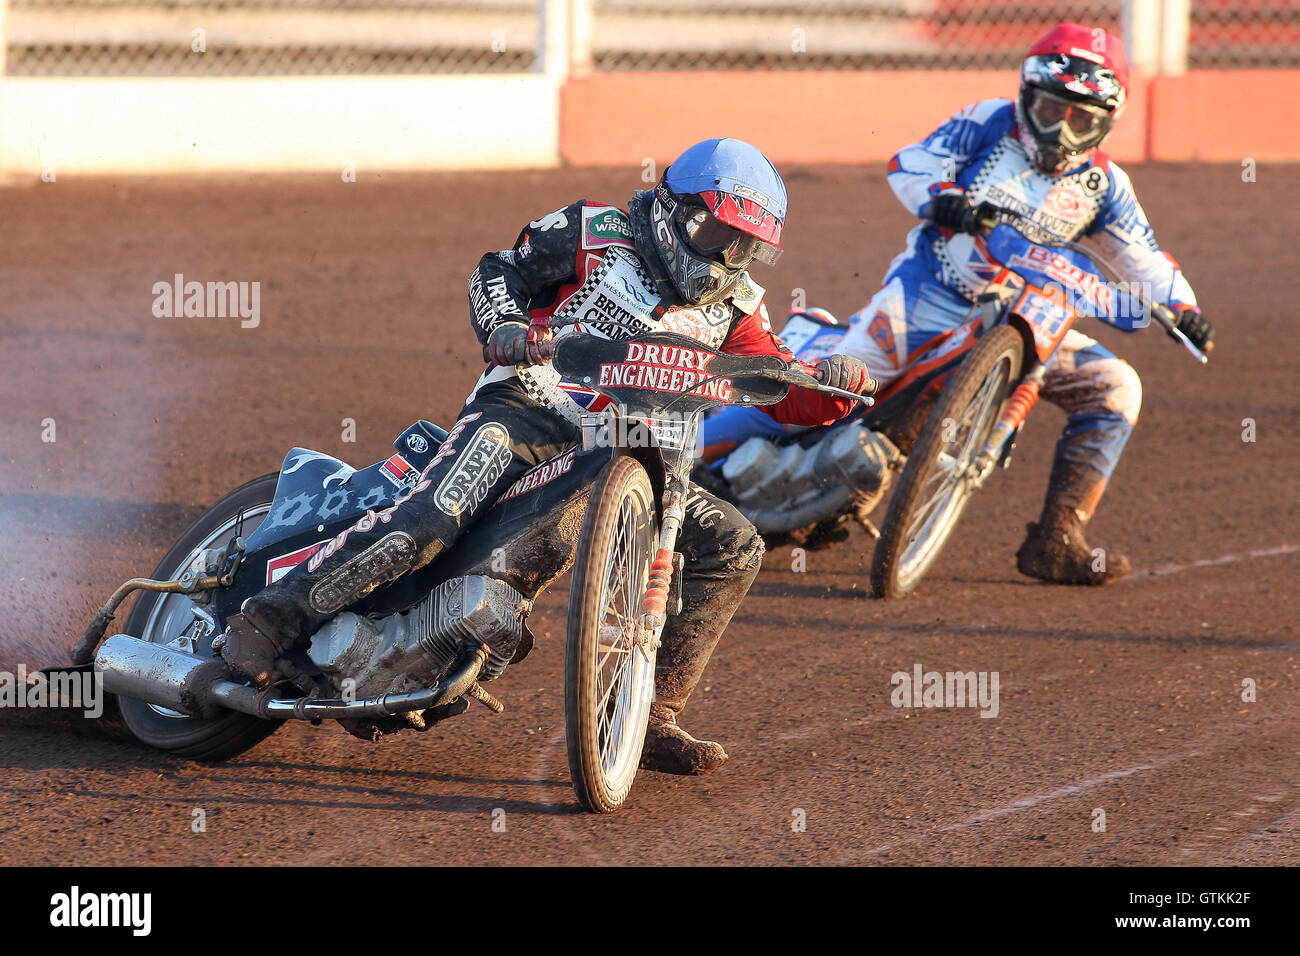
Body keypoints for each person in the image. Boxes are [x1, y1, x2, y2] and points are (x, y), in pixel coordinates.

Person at [219, 138, 875, 774]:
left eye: (746, 247)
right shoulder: (598, 230)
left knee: (736, 546)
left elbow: (778, 388)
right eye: (716, 237)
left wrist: (835, 388)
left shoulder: (739, 309)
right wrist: (506, 327)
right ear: (679, 212)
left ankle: (649, 717)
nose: (727, 259)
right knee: (431, 518)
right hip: (527, 410)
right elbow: (497, 270)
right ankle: (274, 617)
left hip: (630, 451)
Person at [836, 22, 1214, 584]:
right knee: (839, 383)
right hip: (932, 291)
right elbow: (914, 162)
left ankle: (1059, 537)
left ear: (1105, 123)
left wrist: (1182, 308)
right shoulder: (989, 121)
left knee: (1117, 388)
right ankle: (733, 465)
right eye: (1050, 109)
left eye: (1081, 118)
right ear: (1025, 97)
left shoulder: (1105, 185)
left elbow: (1142, 257)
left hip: (1031, 314)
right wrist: (943, 202)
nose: (1061, 130)